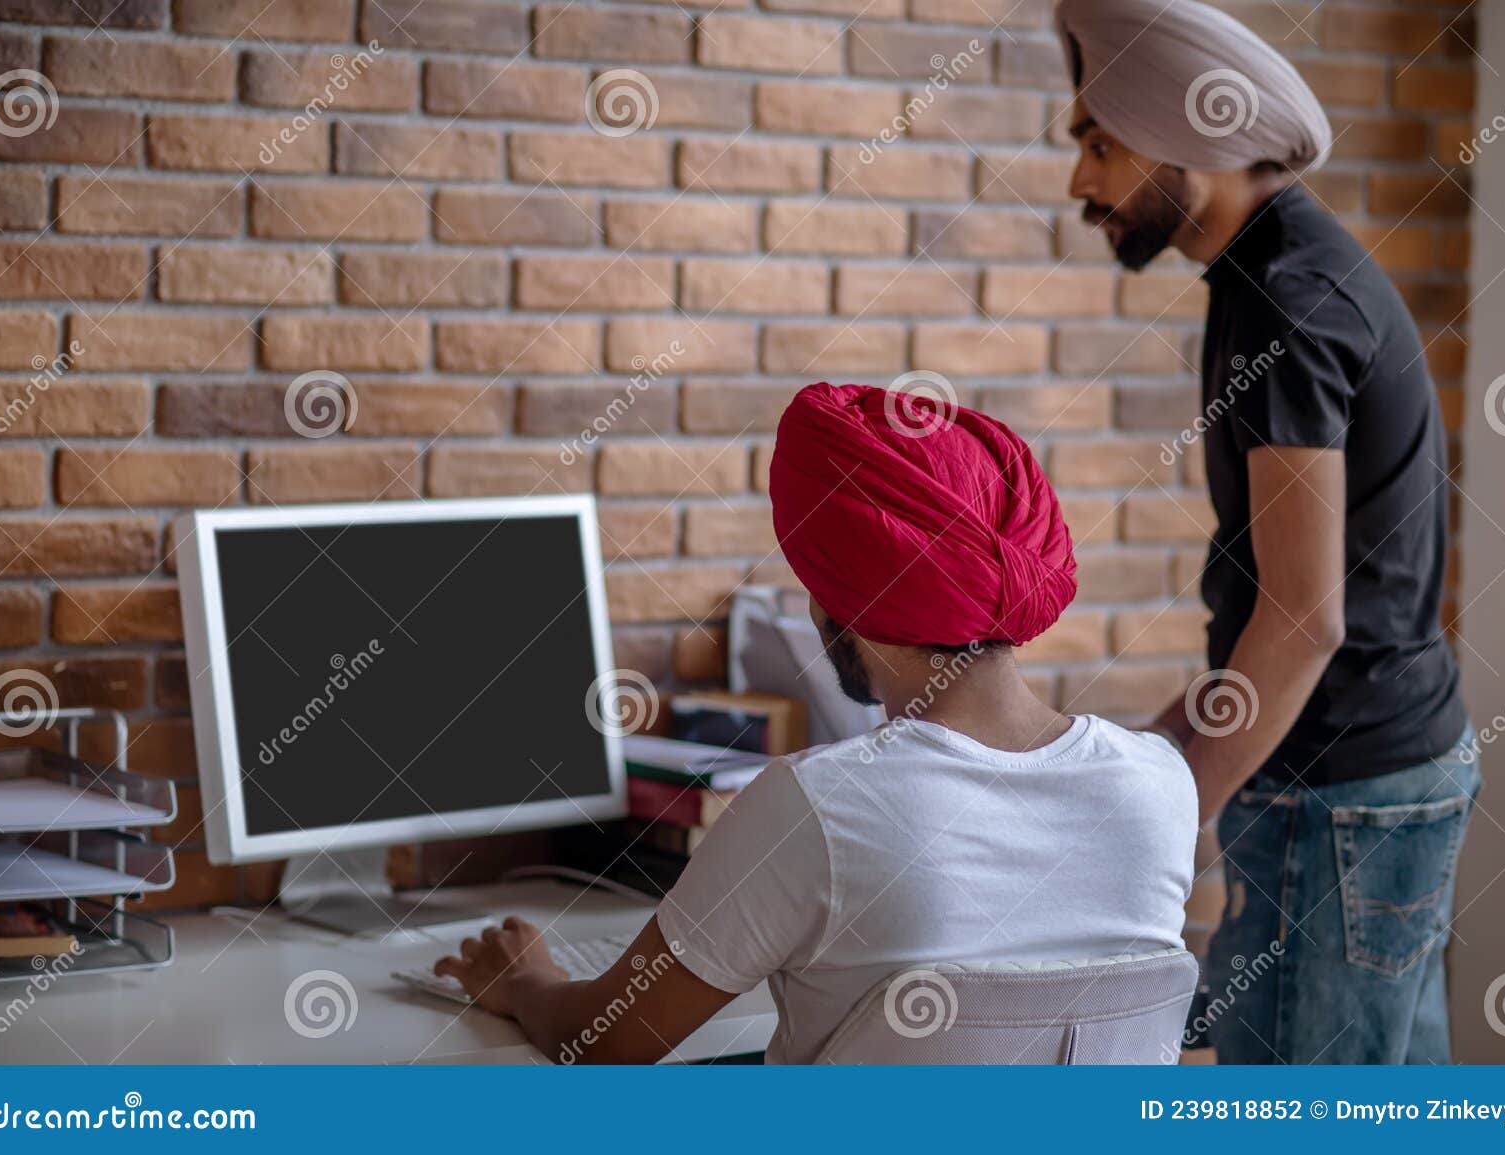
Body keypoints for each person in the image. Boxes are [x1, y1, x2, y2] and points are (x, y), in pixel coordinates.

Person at [434, 383, 1198, 1063]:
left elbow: (603, 1041)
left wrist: (528, 980)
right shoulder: (1161, 783)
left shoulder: (818, 803)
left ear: (836, 604)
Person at [1055, 0, 1479, 1064]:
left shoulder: (1285, 301)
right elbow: (1277, 600)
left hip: (1335, 800)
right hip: (1381, 774)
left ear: (1183, 136)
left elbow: (1301, 620)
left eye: (1097, 146)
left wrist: (1163, 821)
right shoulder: (1271, 273)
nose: (1079, 185)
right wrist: (1163, 745)